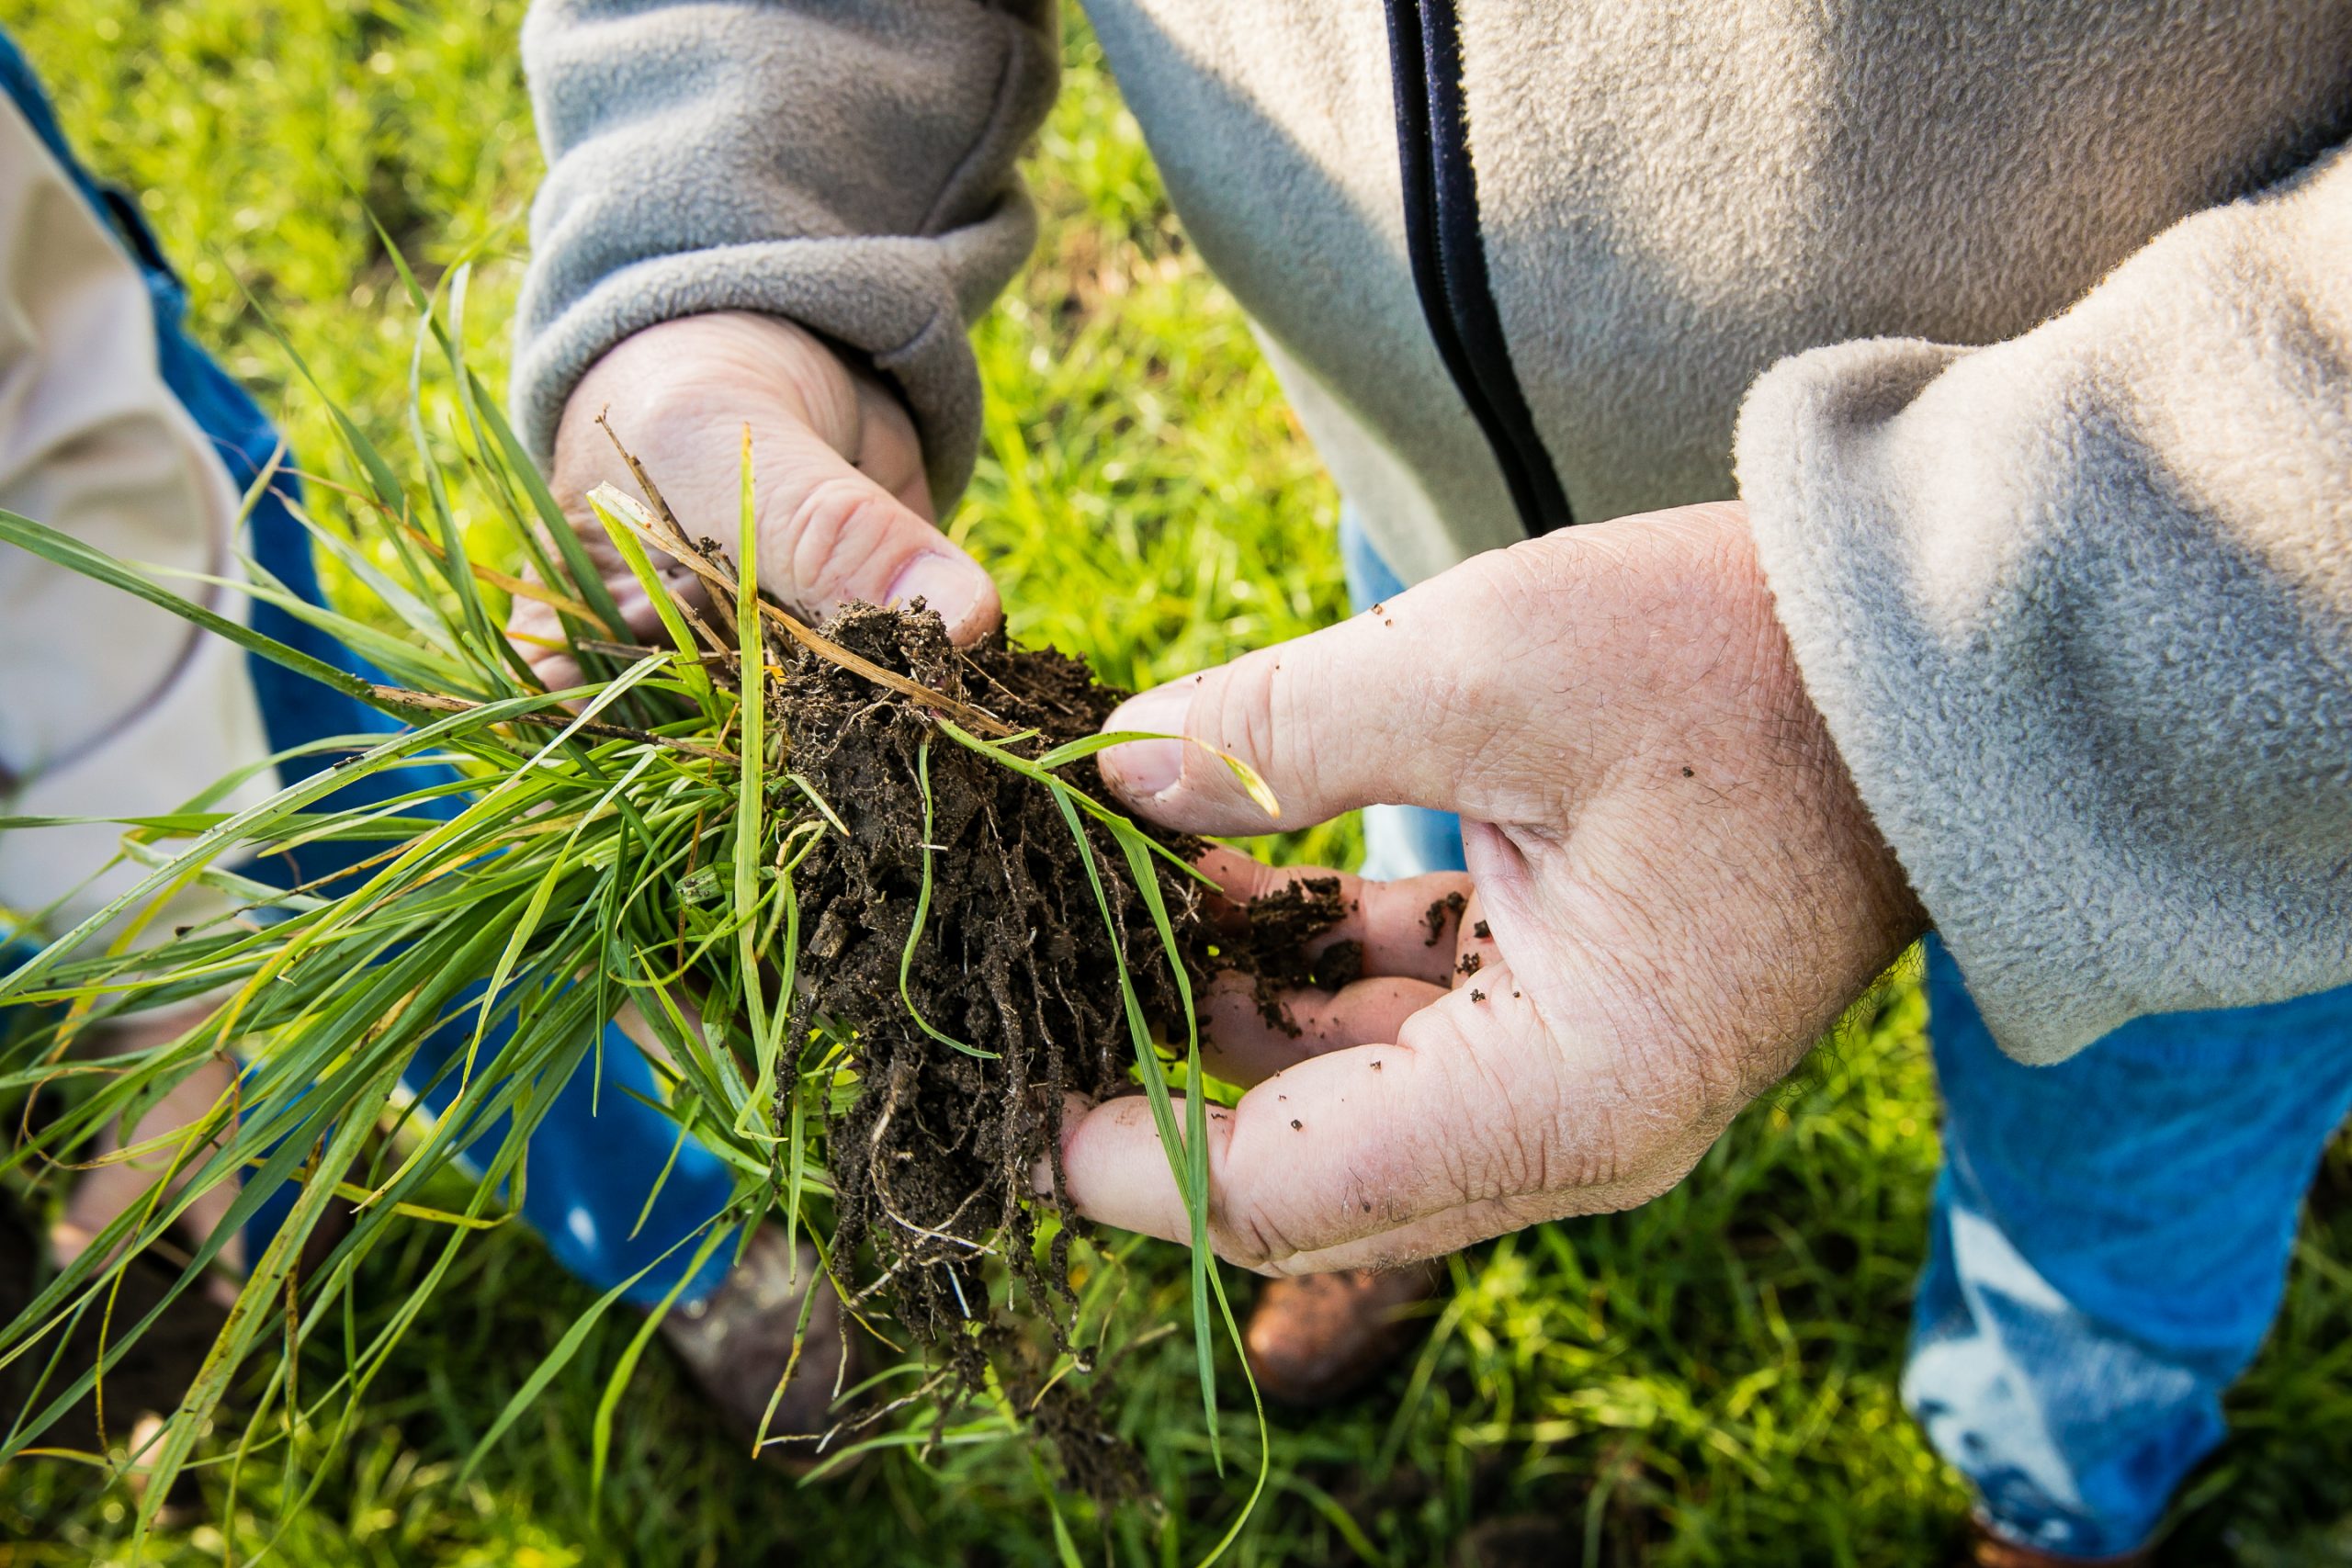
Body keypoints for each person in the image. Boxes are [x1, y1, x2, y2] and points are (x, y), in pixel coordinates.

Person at [508, 3, 2352, 1561]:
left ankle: (2051, 1481)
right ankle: (1413, 1173)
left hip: (2197, 660)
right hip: (1452, 564)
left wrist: (2002, 660)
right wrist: (717, 274)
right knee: (1399, 938)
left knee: (2128, 1165)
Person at [0, 29, 840, 1458]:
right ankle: (236, 1234)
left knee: (373, 861)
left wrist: (155, 974)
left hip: (96, 532)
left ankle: (684, 1223)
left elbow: (55, 456)